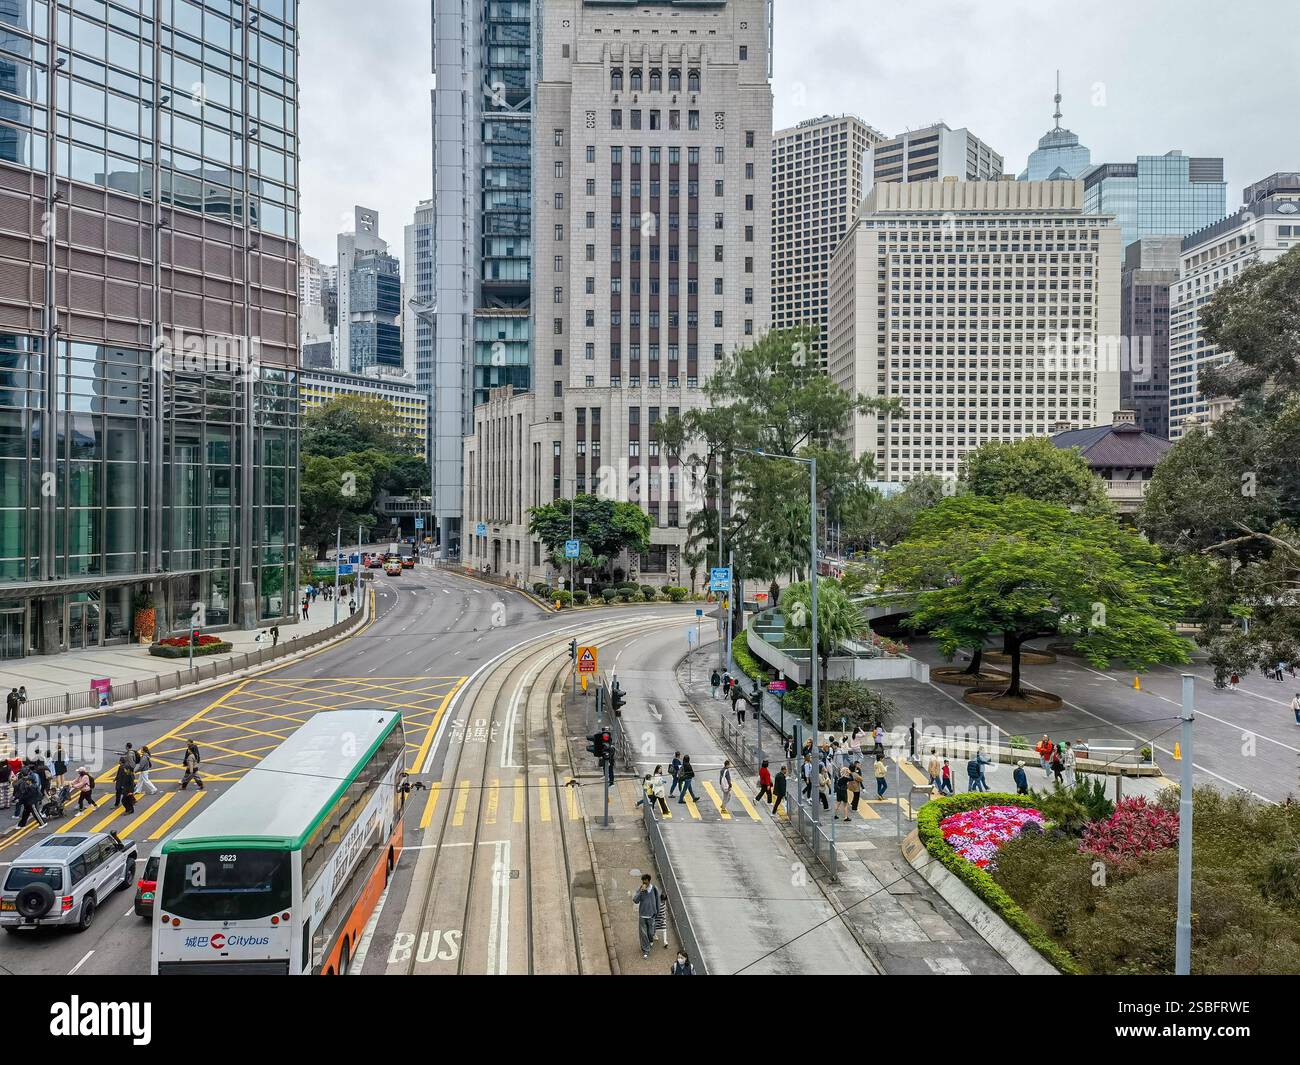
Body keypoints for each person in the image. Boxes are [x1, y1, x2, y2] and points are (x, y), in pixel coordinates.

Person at [632, 873, 662, 959]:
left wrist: (657, 912)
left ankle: (651, 939)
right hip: (642, 915)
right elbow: (635, 900)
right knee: (643, 934)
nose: (644, 883)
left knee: (650, 933)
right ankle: (646, 950)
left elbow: (657, 901)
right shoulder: (641, 889)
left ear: (649, 881)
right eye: (643, 881)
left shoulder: (654, 889)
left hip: (652, 915)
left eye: (645, 881)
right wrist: (641, 892)